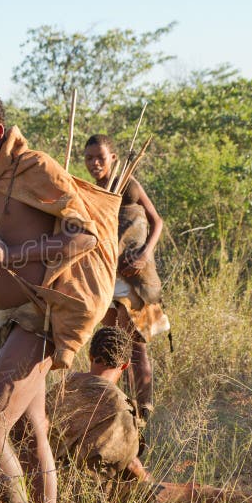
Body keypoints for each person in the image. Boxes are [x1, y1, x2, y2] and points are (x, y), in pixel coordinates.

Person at [0, 88, 119, 503]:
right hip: (4, 319)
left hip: (39, 316)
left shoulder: (35, 167)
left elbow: (85, 237)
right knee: (30, 431)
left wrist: (18, 254)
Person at [47, 326, 252, 503]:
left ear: (91, 356)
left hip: (49, 488)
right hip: (95, 495)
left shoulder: (61, 387)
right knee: (205, 495)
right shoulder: (119, 405)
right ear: (126, 365)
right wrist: (151, 485)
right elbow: (130, 465)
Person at [83, 134, 169, 422]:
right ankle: (114, 411)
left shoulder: (128, 184)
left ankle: (144, 413)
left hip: (137, 279)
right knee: (111, 346)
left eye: (100, 158)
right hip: (108, 277)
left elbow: (157, 221)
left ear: (114, 159)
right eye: (89, 158)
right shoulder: (93, 192)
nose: (95, 163)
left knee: (137, 347)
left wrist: (145, 253)